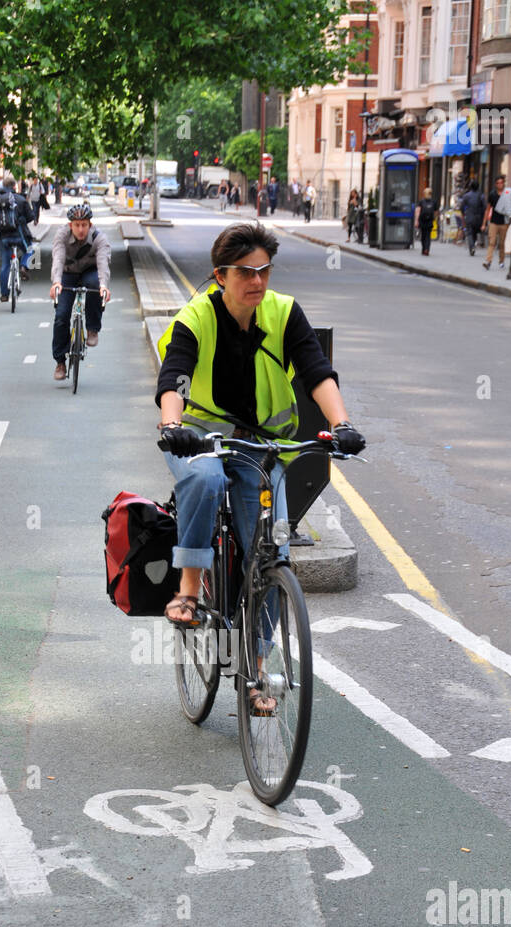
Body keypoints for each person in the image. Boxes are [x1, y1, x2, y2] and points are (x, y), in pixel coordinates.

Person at [154, 220, 366, 698]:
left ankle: (254, 666)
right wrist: (172, 427)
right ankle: (188, 587)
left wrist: (343, 424)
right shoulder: (196, 318)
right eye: (246, 272)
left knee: (272, 554)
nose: (257, 281)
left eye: (264, 271)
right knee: (206, 480)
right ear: (220, 276)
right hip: (199, 438)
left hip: (260, 443)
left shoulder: (284, 313)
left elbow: (317, 372)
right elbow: (174, 379)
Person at [49, 201, 112, 380]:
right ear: (70, 225)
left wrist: (103, 286)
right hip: (68, 274)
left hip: (89, 272)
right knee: (61, 316)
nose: (81, 229)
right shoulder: (61, 236)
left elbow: (103, 264)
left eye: (84, 225)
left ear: (90, 225)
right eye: (77, 225)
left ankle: (92, 328)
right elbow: (58, 259)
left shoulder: (99, 238)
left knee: (94, 287)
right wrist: (56, 282)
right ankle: (60, 362)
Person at [0, 173, 34, 301]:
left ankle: (4, 294)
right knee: (31, 249)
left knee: (5, 265)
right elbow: (31, 217)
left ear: (3, 186)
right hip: (19, 236)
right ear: (14, 186)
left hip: (3, 237)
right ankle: (24, 266)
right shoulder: (20, 199)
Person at [483, 174, 511, 270]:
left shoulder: (507, 194)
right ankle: (488, 261)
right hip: (494, 222)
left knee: (501, 243)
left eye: (501, 182)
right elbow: (488, 209)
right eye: (498, 183)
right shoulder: (492, 195)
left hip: (504, 222)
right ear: (495, 184)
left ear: (504, 183)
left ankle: (501, 261)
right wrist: (484, 223)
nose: (500, 184)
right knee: (492, 242)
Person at [459, 180, 485, 257]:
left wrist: (464, 214)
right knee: (475, 232)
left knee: (469, 233)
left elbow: (462, 207)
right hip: (478, 217)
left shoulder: (466, 196)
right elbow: (484, 207)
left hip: (469, 216)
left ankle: (472, 246)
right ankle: (473, 245)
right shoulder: (481, 195)